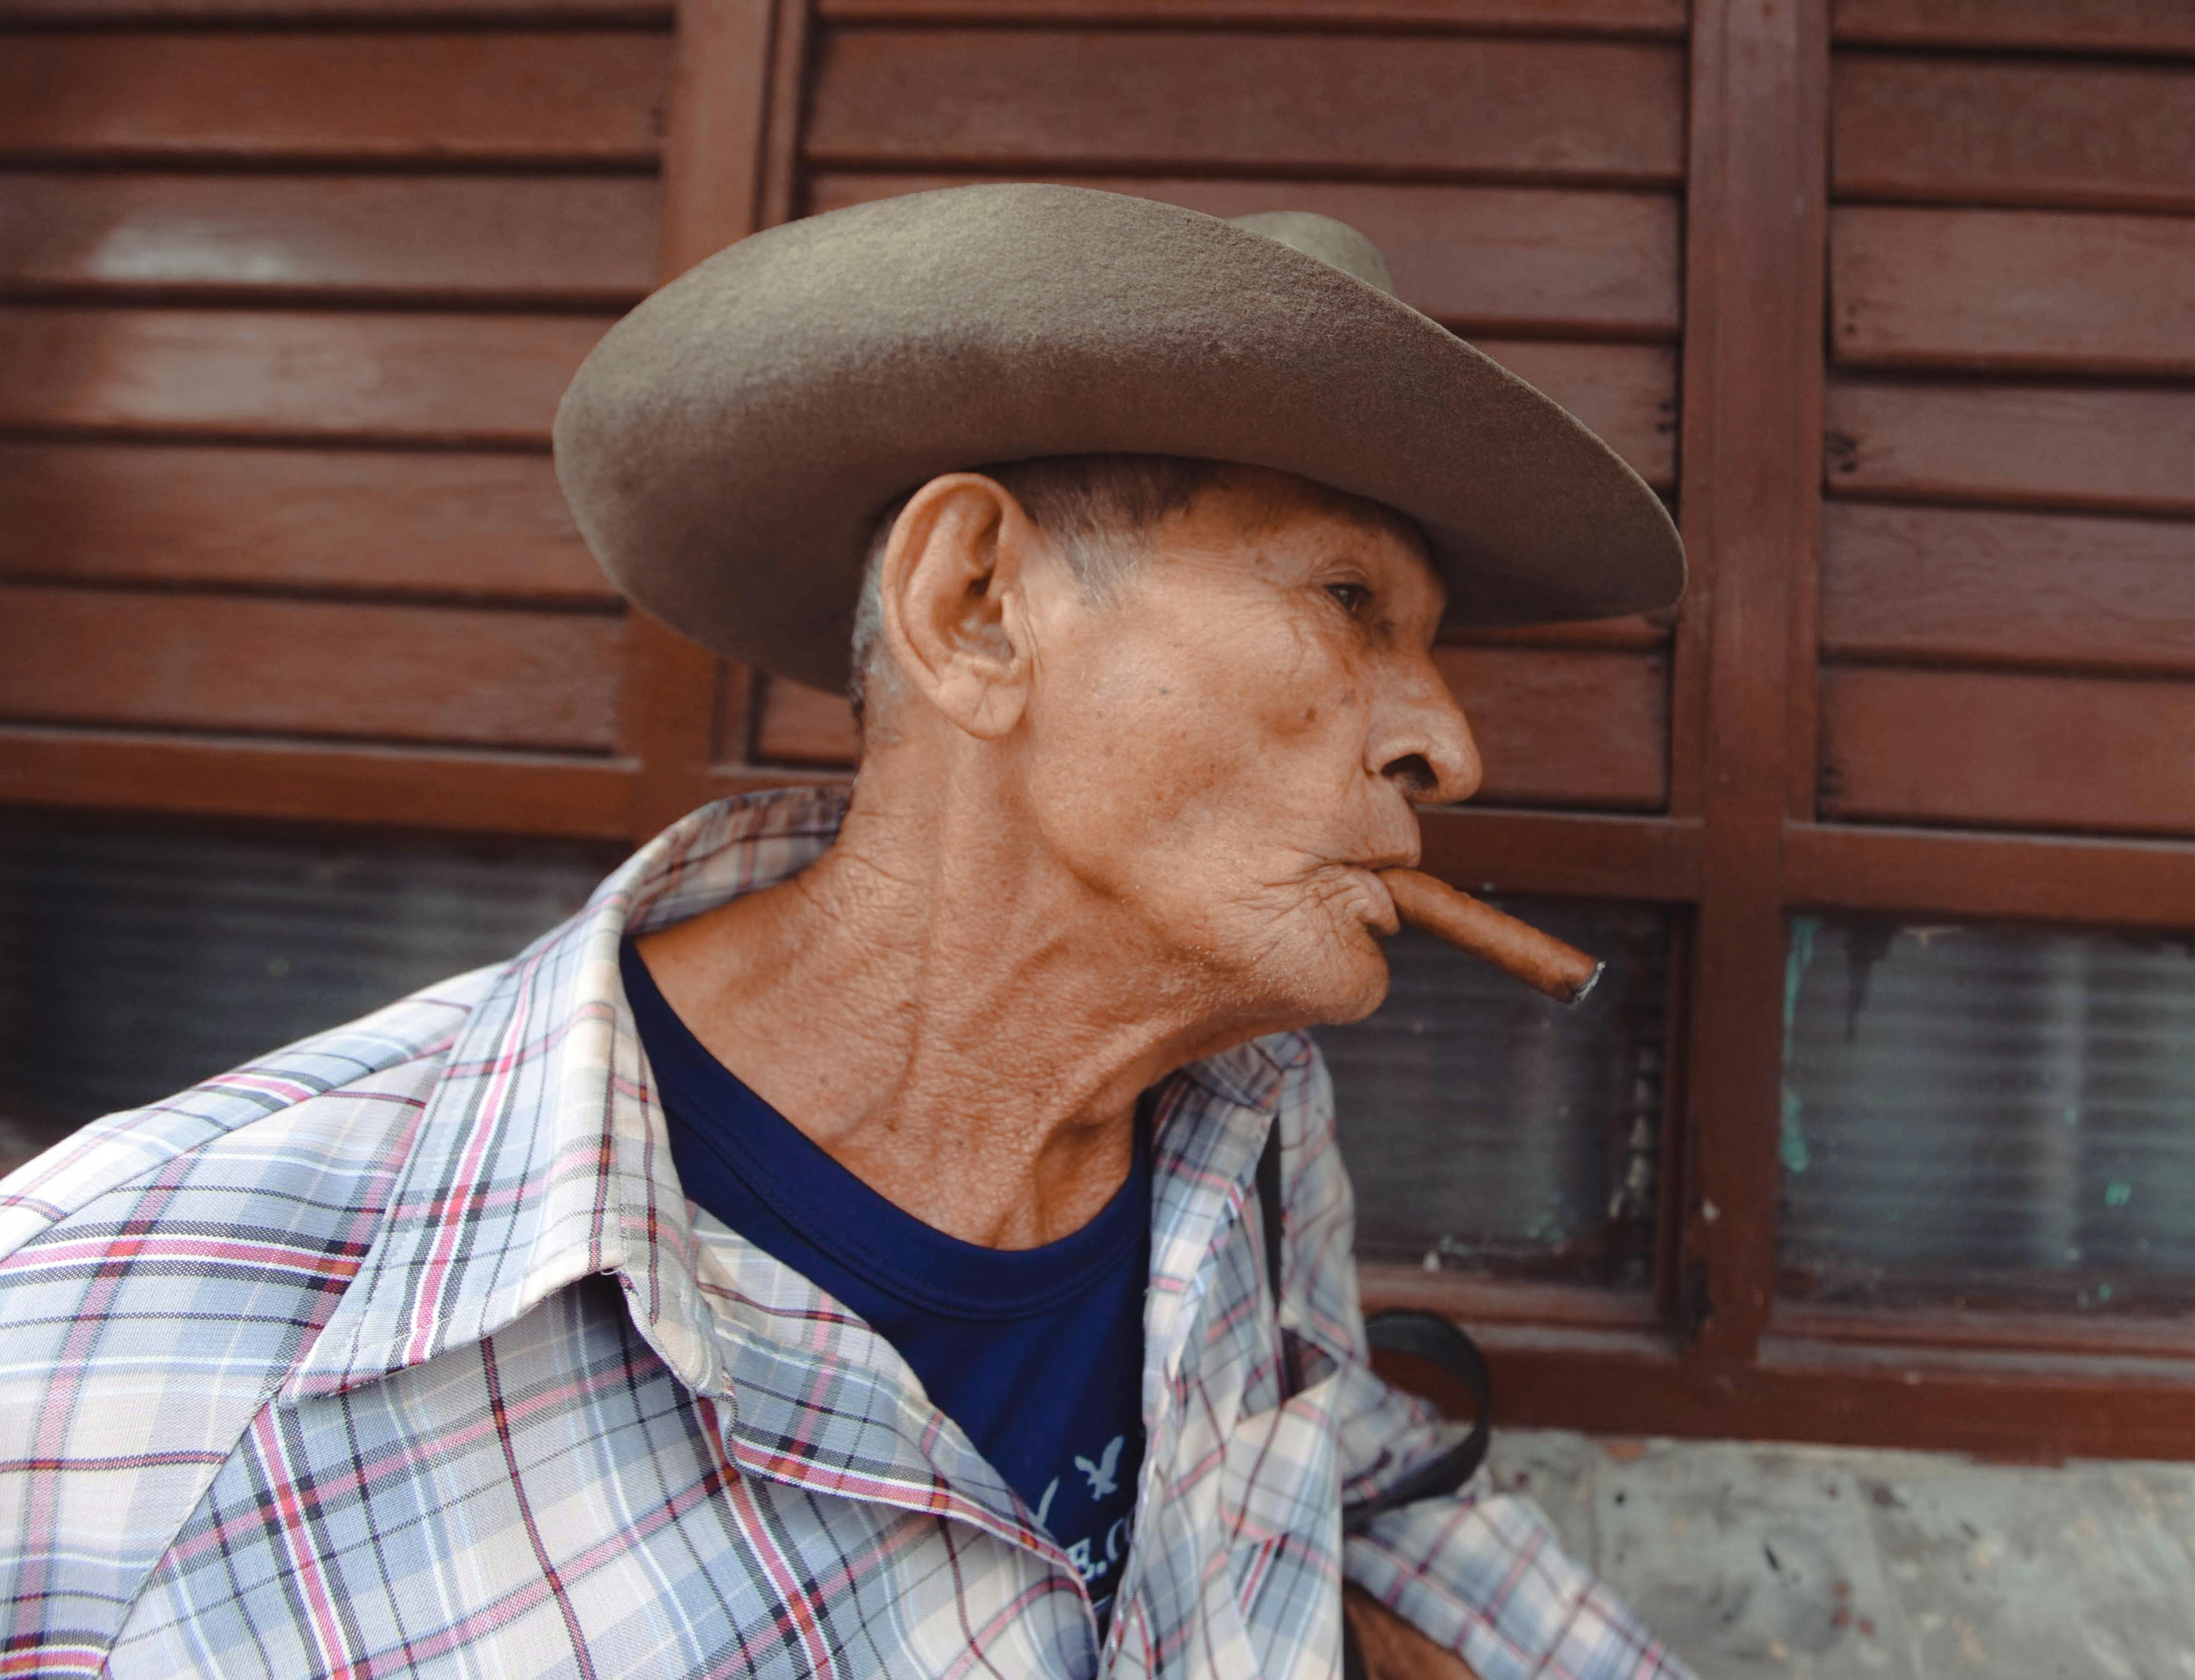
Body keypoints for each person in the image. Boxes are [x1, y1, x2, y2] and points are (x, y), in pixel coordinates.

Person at [0, 185, 1692, 1678]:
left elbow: (1350, 1481)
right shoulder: (117, 1353)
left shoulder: (1246, 1116)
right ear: (978, 608)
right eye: (1348, 601)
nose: (1447, 745)